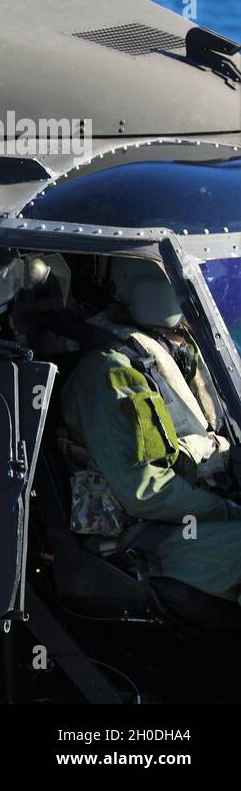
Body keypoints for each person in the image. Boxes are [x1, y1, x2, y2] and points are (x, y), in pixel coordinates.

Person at [60, 256, 241, 605]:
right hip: (148, 534)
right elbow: (144, 490)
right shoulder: (113, 372)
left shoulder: (185, 351)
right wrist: (226, 511)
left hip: (198, 506)